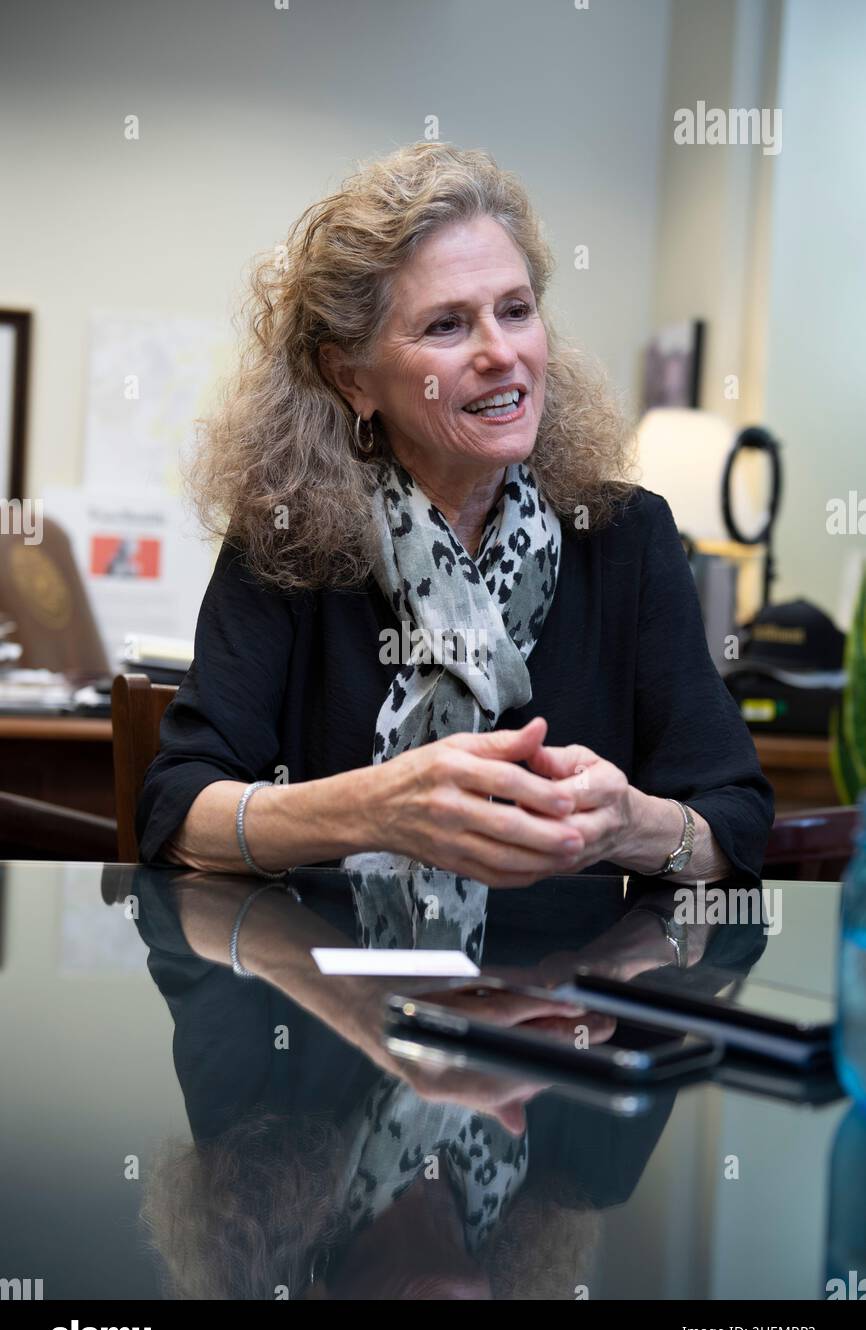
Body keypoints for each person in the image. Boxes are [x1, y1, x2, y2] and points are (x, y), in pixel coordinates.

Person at [136, 141, 773, 887]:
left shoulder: (626, 538)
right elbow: (178, 812)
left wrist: (632, 825)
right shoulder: (287, 540)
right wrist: (371, 809)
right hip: (328, 990)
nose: (501, 352)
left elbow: (733, 825)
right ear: (352, 378)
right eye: (447, 325)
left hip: (568, 989)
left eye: (515, 310)